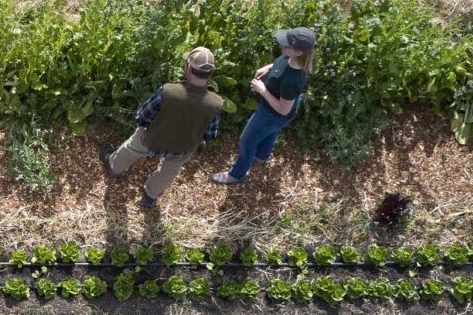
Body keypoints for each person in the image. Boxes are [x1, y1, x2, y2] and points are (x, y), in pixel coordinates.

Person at [99, 47, 223, 210]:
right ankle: (151, 195)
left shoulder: (168, 91)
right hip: (183, 147)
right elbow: (209, 135)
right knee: (170, 170)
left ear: (188, 67)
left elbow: (142, 116)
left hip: (152, 140)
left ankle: (114, 166)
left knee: (132, 147)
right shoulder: (216, 103)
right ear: (210, 73)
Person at [212, 27, 316, 185]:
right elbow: (281, 62)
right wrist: (268, 68)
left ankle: (236, 175)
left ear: (298, 52)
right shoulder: (290, 58)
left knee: (246, 142)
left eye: (286, 45)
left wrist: (263, 90)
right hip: (272, 116)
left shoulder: (292, 81)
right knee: (269, 133)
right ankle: (261, 156)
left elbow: (283, 109)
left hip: (272, 115)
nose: (282, 46)